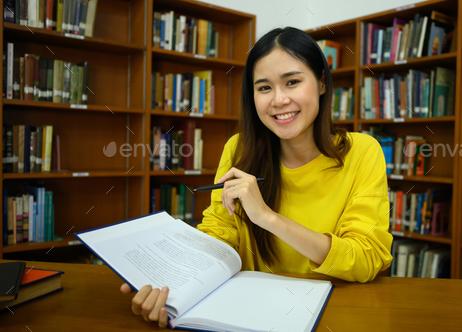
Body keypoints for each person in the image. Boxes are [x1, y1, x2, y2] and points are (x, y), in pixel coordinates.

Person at [120, 26, 393, 328]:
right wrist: (171, 280)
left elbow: (366, 258)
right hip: (247, 315)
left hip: (334, 313)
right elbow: (219, 233)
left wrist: (268, 217)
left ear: (322, 83)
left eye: (292, 82)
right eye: (264, 88)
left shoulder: (362, 151)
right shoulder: (238, 149)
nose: (278, 100)